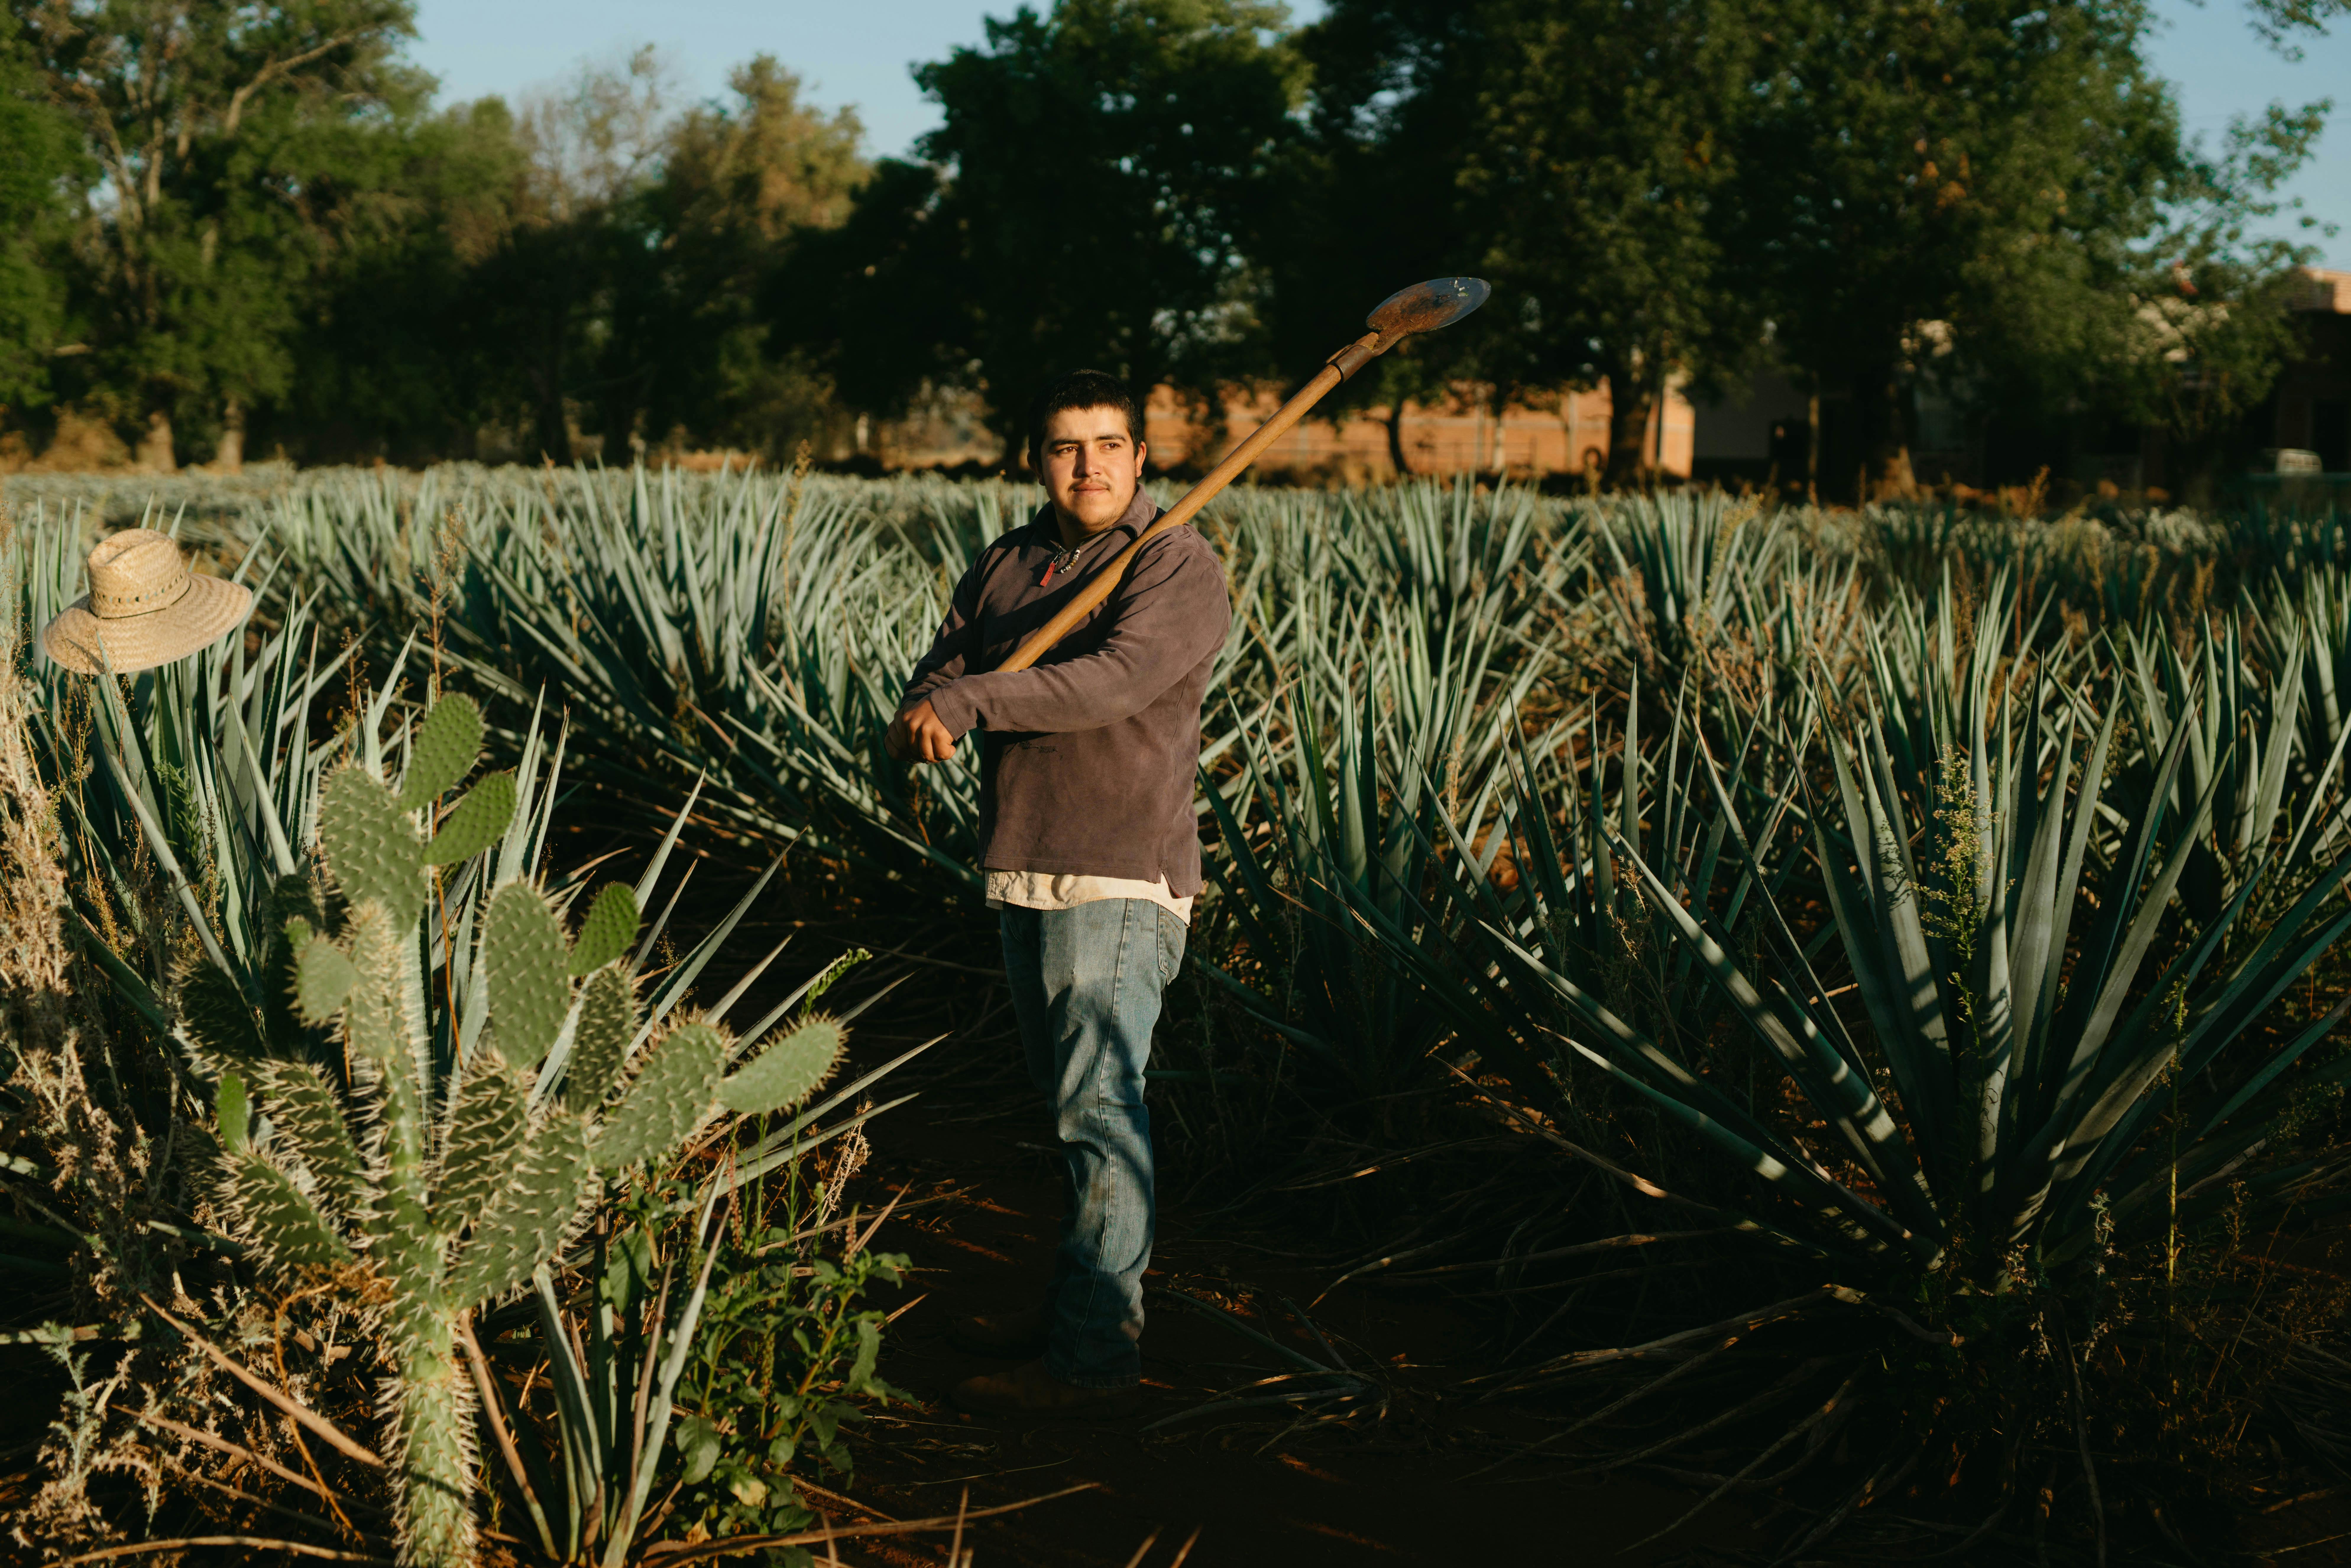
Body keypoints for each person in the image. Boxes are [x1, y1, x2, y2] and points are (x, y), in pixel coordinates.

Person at [888, 369, 1230, 1415]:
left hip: (1120, 873)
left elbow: (1110, 684)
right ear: (1035, 458)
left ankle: (1093, 1364)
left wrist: (972, 697)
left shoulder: (1177, 561)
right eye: (1065, 447)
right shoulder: (1011, 560)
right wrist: (922, 712)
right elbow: (943, 662)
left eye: (1110, 445)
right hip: (1026, 861)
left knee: (1100, 1111)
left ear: (1142, 454)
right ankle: (1072, 1311)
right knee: (1068, 1108)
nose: (1089, 466)